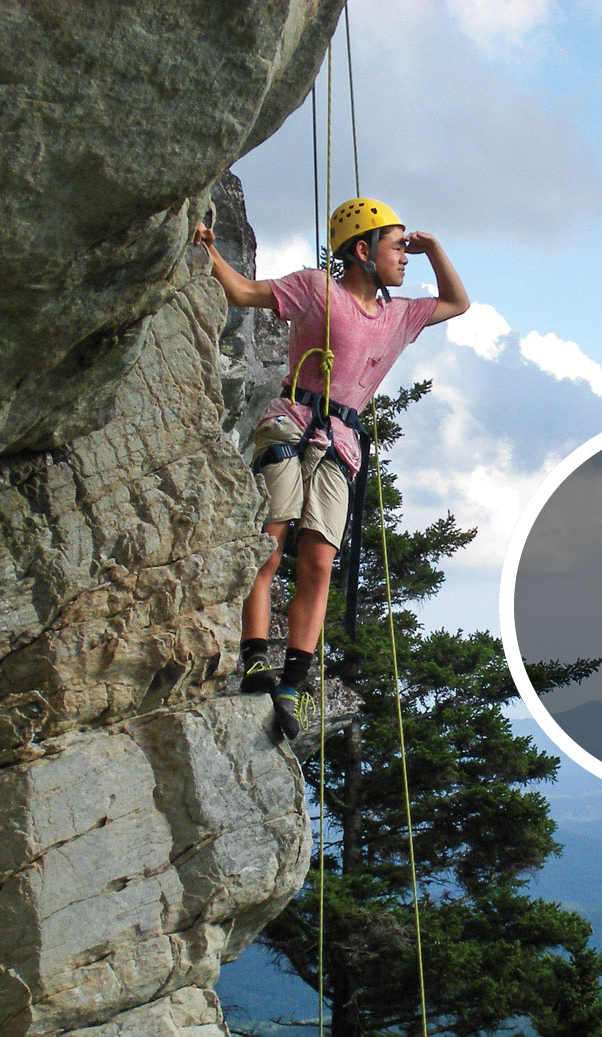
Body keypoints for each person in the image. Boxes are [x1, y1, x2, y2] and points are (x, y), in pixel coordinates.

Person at [192, 198, 468, 739]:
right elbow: (245, 292)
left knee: (318, 562)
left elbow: (456, 303)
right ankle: (254, 662)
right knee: (269, 545)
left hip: (340, 442)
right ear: (363, 251)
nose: (405, 257)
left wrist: (432, 248)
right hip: (293, 422)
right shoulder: (318, 288)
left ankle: (293, 683)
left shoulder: (398, 315)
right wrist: (207, 249)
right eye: (397, 246)